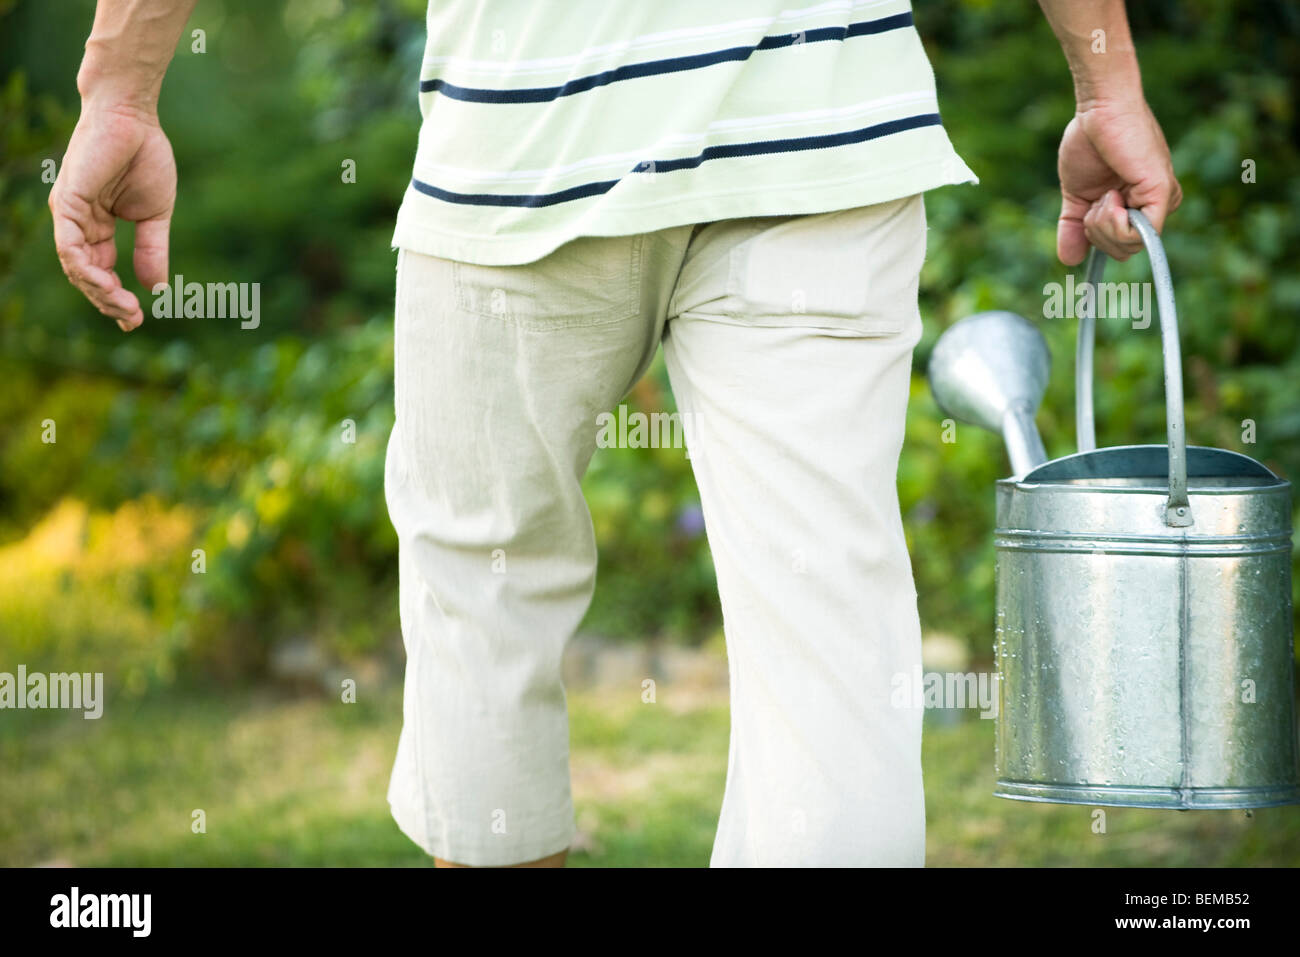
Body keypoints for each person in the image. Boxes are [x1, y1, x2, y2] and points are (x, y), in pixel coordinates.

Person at [51, 0, 1180, 867]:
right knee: (828, 624)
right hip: (815, 126)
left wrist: (122, 88)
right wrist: (1105, 79)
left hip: (531, 127)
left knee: (485, 600)